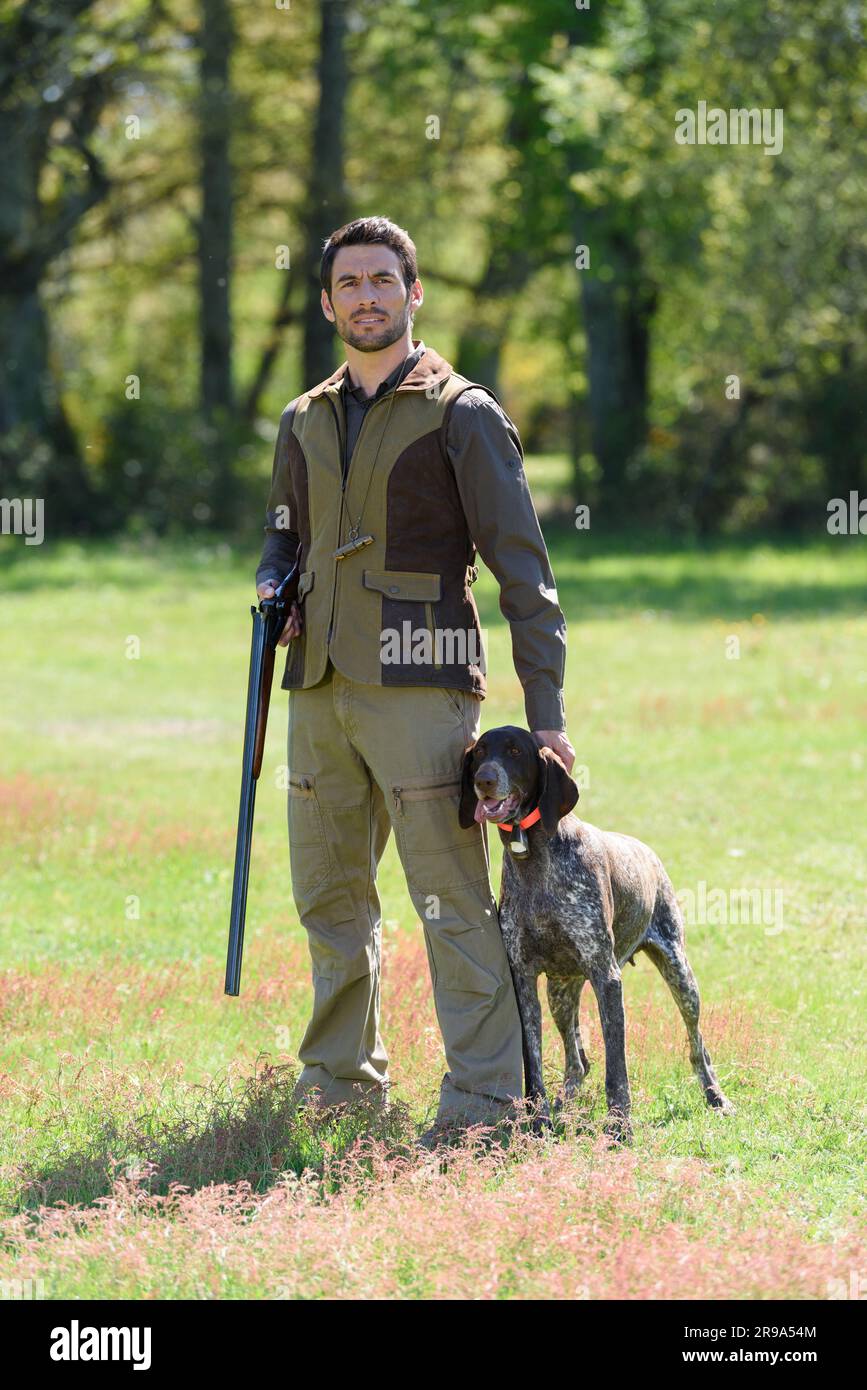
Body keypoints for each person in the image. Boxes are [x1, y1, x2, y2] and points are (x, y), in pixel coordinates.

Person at [255, 215, 574, 1146]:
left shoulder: (462, 413)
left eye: (383, 281)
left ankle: (484, 1106)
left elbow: (527, 574)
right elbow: (283, 532)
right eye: (349, 283)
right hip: (316, 689)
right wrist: (273, 582)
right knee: (329, 900)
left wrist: (545, 717)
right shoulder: (301, 417)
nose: (366, 297)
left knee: (450, 900)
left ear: (413, 293)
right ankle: (340, 1090)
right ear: (326, 302)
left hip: (424, 691)